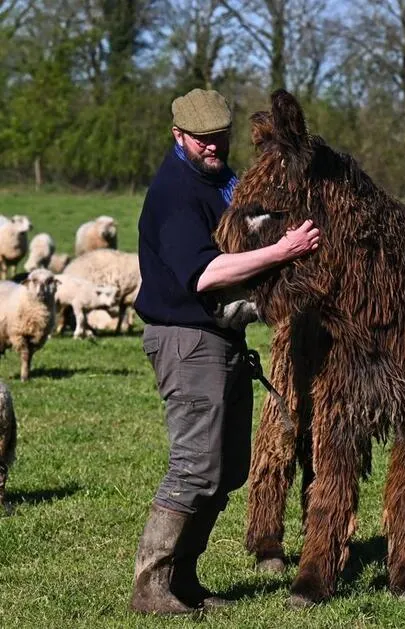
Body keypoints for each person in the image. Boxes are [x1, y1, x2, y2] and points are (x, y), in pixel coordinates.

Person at [129, 88, 320, 615]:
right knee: (194, 466)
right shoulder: (175, 192)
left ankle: (183, 580)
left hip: (224, 339)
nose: (214, 148)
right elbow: (205, 273)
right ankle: (151, 587)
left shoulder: (221, 180)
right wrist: (282, 252)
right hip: (187, 341)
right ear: (178, 136)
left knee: (228, 468)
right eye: (202, 141)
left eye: (220, 139)